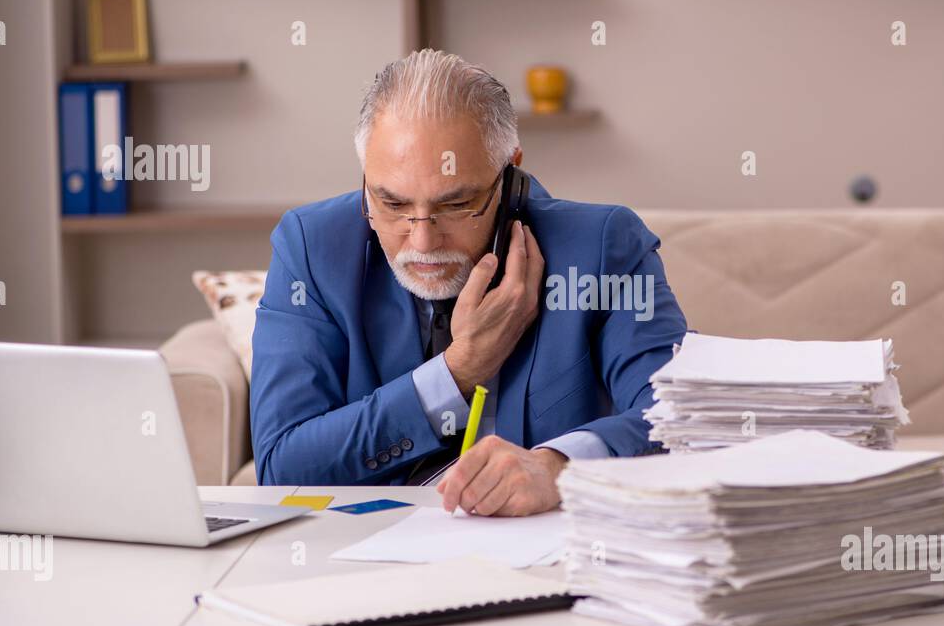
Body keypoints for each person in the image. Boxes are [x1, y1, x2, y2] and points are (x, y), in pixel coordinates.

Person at [249, 49, 687, 516]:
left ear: (511, 175)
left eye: (456, 205)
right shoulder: (312, 248)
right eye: (392, 204)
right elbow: (281, 471)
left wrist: (559, 468)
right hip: (367, 565)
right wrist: (458, 371)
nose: (421, 240)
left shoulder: (603, 248)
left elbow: (679, 422)